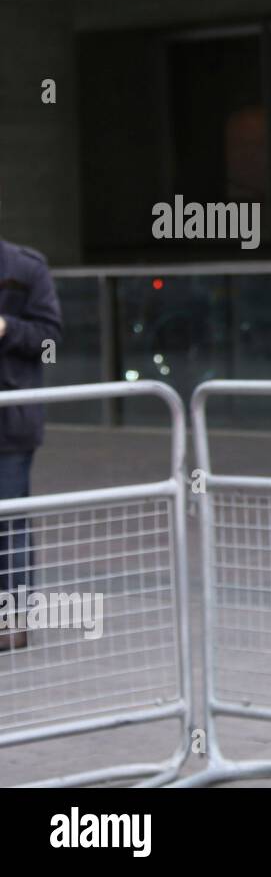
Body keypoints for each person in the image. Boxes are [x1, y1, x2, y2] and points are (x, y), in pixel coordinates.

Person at [0, 235, 62, 652]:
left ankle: (12, 620)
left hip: (9, 422)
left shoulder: (26, 267)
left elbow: (51, 346)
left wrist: (5, 328)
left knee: (8, 523)